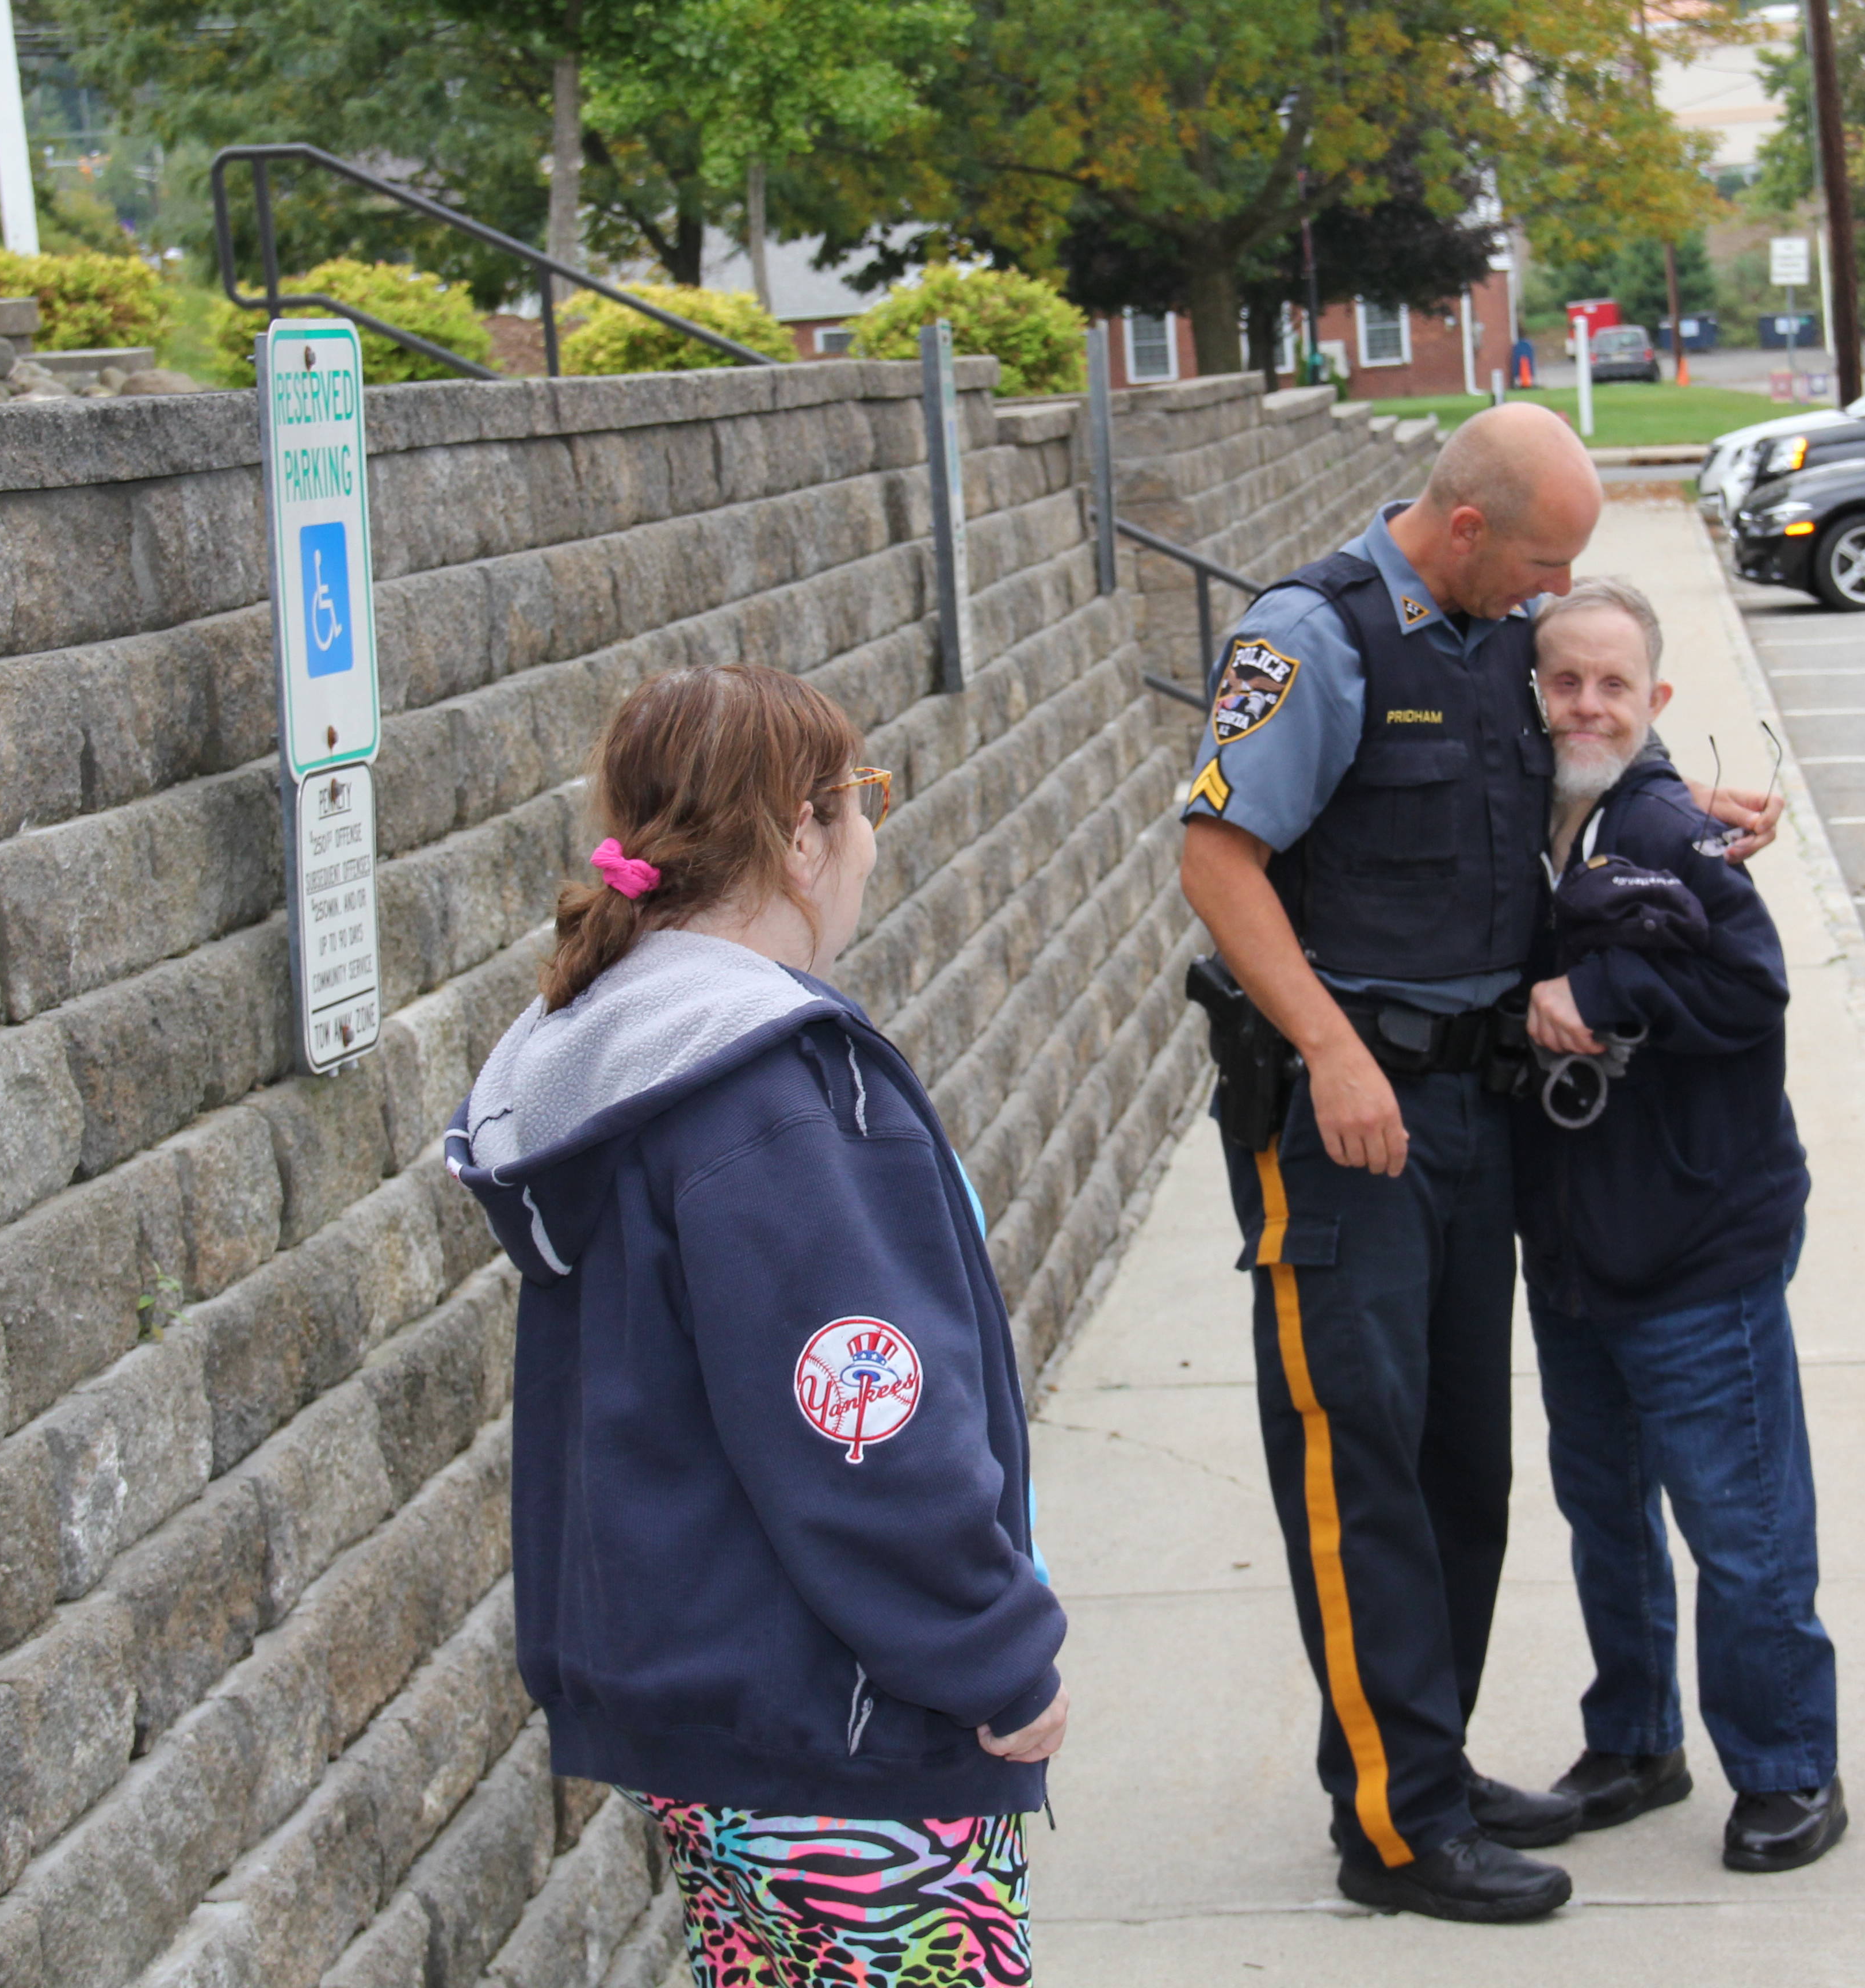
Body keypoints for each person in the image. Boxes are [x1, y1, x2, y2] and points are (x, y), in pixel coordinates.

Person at [1176, 404, 1784, 1925]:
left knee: (1463, 1467)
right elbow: (1216, 857)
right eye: (1540, 558)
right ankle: (1393, 1835)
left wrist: (1678, 807)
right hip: (1345, 1124)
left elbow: (1551, 775)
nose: (1550, 589)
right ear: (1464, 531)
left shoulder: (1486, 634)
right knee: (1361, 1460)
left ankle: (1423, 1769)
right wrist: (1328, 1051)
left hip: (1472, 1117)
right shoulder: (1315, 642)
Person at [447, 664, 1068, 1986]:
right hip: (849, 1736)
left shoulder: (622, 1044)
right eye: (863, 802)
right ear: (801, 835)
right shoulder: (772, 1097)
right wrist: (1000, 1661)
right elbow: (863, 1423)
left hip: (725, 1723)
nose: (870, 838)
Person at [1514, 578, 1845, 1875]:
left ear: (1654, 704)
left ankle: (1789, 1772)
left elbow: (1751, 984)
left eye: (1612, 685)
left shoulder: (1655, 819)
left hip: (1698, 1246)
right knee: (1605, 1509)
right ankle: (1636, 1741)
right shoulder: (1535, 819)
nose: (1585, 704)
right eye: (1563, 681)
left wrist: (1598, 987)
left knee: (1742, 1528)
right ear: (1529, 694)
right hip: (1579, 1249)